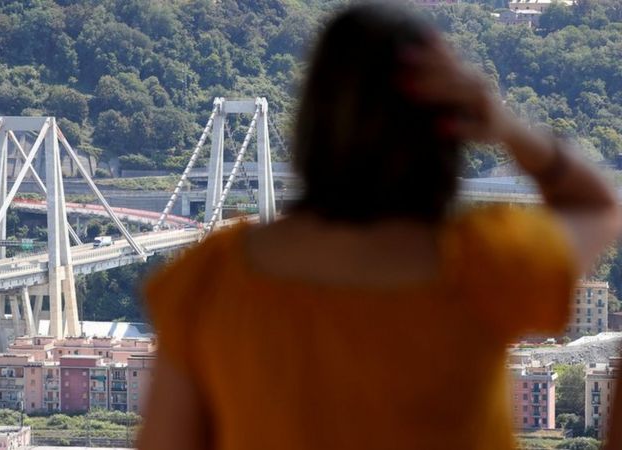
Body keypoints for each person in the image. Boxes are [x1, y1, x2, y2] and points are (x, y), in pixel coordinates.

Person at [138, 4, 622, 450]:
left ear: (311, 122)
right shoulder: (485, 263)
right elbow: (599, 207)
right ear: (447, 132)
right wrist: (504, 123)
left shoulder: (209, 280)